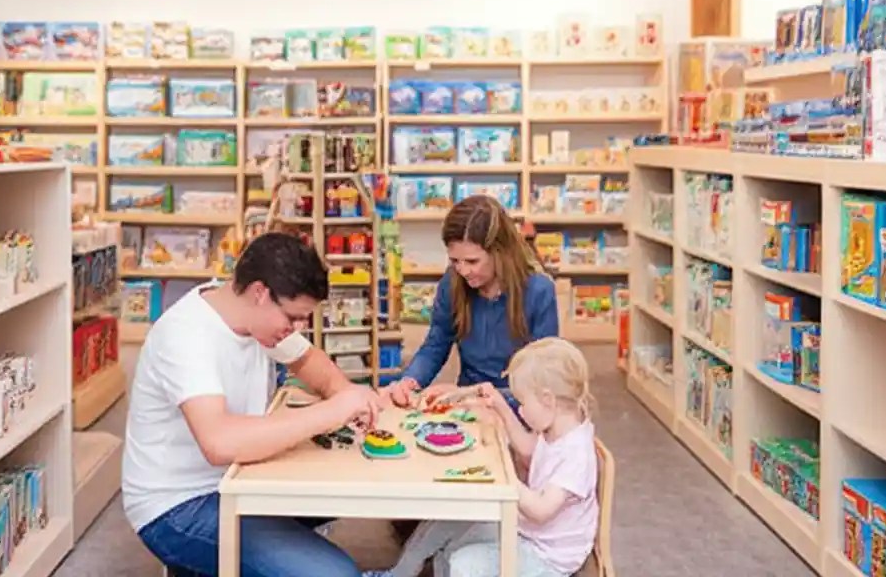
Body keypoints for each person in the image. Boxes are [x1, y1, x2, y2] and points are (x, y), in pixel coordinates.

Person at [123, 232, 382, 577]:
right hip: (178, 506)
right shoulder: (187, 335)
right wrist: (333, 411)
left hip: (240, 477)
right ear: (260, 293)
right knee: (336, 574)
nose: (297, 329)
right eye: (292, 318)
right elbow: (220, 442)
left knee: (345, 487)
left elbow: (309, 362)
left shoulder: (249, 317)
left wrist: (347, 395)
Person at [364, 339, 600, 577]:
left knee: (462, 563)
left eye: (523, 402)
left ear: (548, 400)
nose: (520, 409)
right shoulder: (557, 428)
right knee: (448, 520)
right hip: (529, 532)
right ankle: (397, 574)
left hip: (547, 557)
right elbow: (529, 449)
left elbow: (540, 510)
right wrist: (499, 404)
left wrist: (504, 479)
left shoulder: (576, 453)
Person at [383, 195, 559, 410]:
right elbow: (436, 344)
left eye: (472, 261)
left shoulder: (539, 291)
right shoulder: (452, 283)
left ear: (500, 252)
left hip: (522, 410)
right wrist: (410, 381)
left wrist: (471, 395)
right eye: (455, 261)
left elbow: (543, 382)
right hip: (467, 409)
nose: (463, 271)